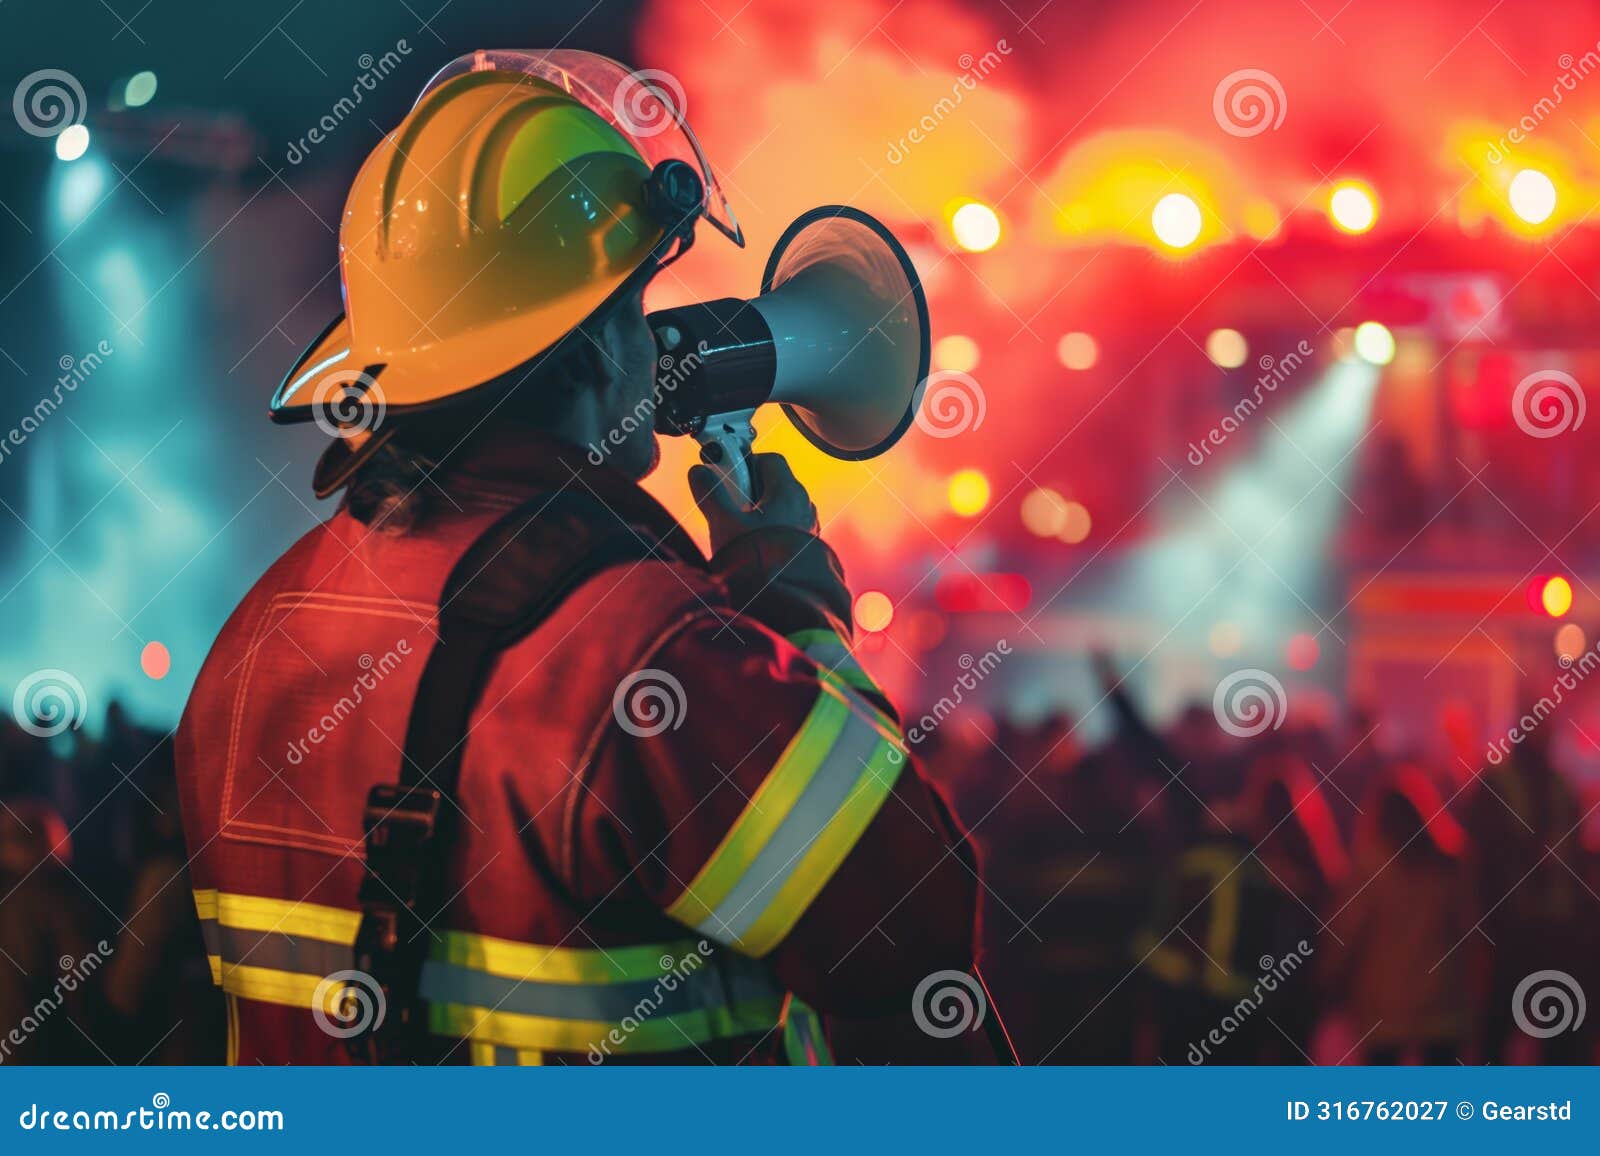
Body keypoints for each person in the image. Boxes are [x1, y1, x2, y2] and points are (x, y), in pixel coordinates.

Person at [175, 50, 979, 1066]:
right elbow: (911, 923)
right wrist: (791, 599)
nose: (658, 343)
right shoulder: (652, 655)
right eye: (639, 306)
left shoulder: (253, 639)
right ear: (598, 346)